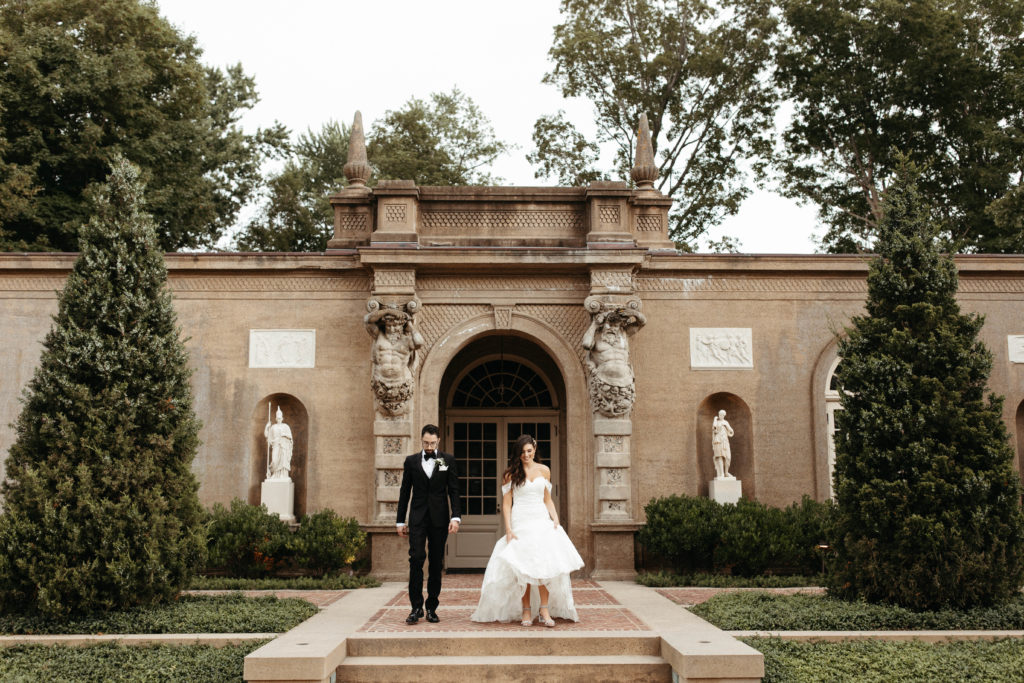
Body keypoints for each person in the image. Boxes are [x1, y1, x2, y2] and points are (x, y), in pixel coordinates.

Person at [471, 434, 584, 627]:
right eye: (522, 452)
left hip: (541, 520)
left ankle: (544, 610)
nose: (526, 455)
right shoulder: (510, 474)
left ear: (534, 449)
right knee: (523, 567)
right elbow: (507, 504)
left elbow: (547, 498)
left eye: (529, 451)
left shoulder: (544, 470)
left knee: (544, 565)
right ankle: (526, 611)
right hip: (520, 521)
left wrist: (555, 518)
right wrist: (508, 528)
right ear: (518, 453)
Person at [395, 424, 461, 624]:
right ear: (421, 441)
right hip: (417, 518)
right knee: (416, 558)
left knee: (435, 562)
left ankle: (431, 607)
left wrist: (455, 517)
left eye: (432, 443)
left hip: (439, 519)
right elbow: (405, 492)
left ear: (438, 440)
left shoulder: (445, 460)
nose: (429, 446)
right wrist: (400, 521)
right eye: (426, 443)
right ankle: (416, 607)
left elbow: (454, 491)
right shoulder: (411, 461)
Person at [264, 406, 293, 480]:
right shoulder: (273, 427)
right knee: (274, 460)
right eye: (277, 418)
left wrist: (284, 435)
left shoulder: (286, 426)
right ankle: (275, 475)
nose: (279, 419)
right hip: (276, 445)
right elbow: (267, 436)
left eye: (280, 418)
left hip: (283, 446)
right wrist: (267, 427)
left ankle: (283, 475)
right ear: (276, 419)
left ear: (282, 418)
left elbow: (290, 437)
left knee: (283, 461)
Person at [712, 409, 735, 479]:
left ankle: (726, 472)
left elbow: (731, 431)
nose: (720, 416)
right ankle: (721, 473)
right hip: (718, 441)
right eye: (719, 414)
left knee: (728, 457)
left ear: (724, 415)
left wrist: (728, 428)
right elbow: (714, 428)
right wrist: (715, 419)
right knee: (719, 456)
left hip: (725, 441)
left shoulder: (726, 422)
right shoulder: (716, 422)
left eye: (722, 415)